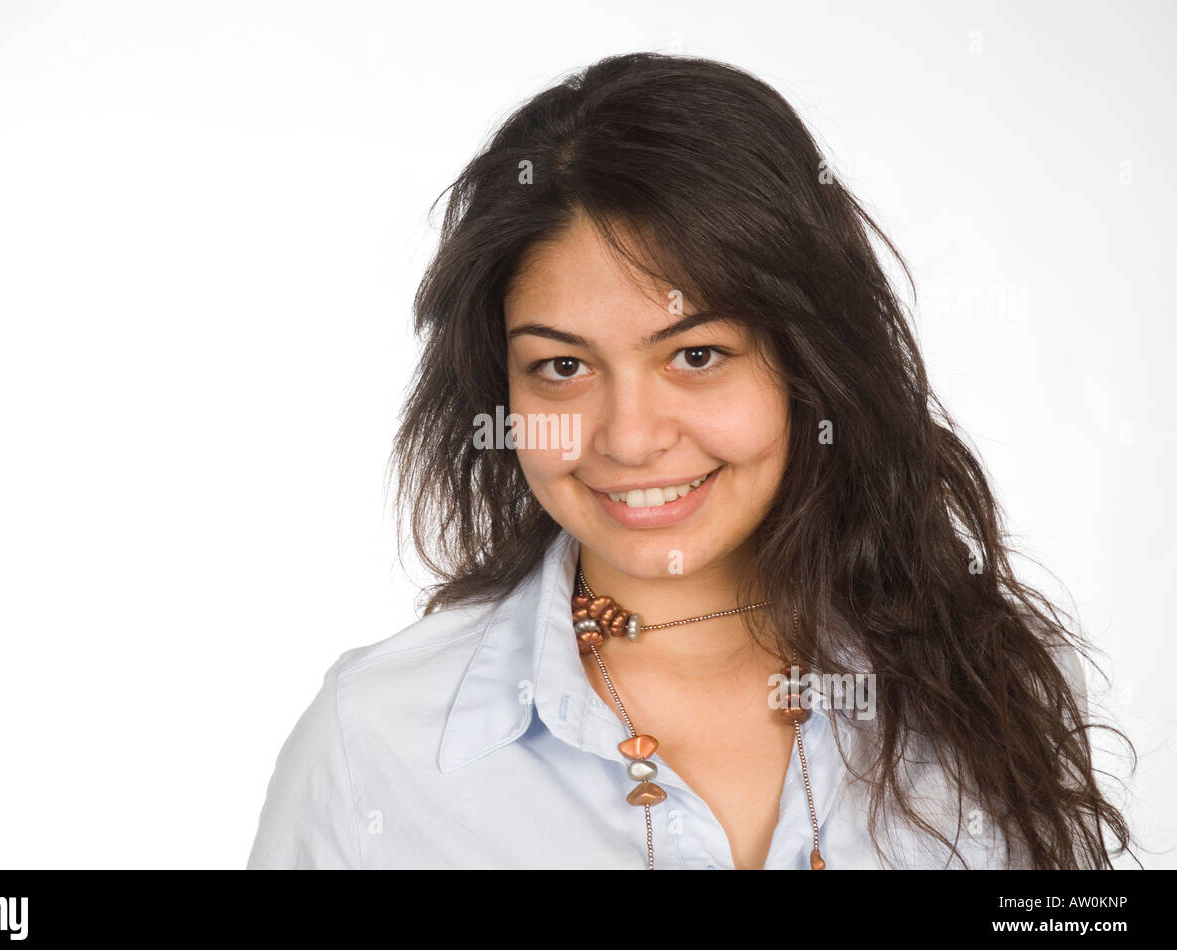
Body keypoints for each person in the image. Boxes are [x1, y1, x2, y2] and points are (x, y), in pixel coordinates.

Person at [246, 52, 1135, 869]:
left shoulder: (986, 678)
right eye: (562, 367)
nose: (629, 437)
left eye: (696, 356)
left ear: (808, 362)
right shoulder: (375, 743)